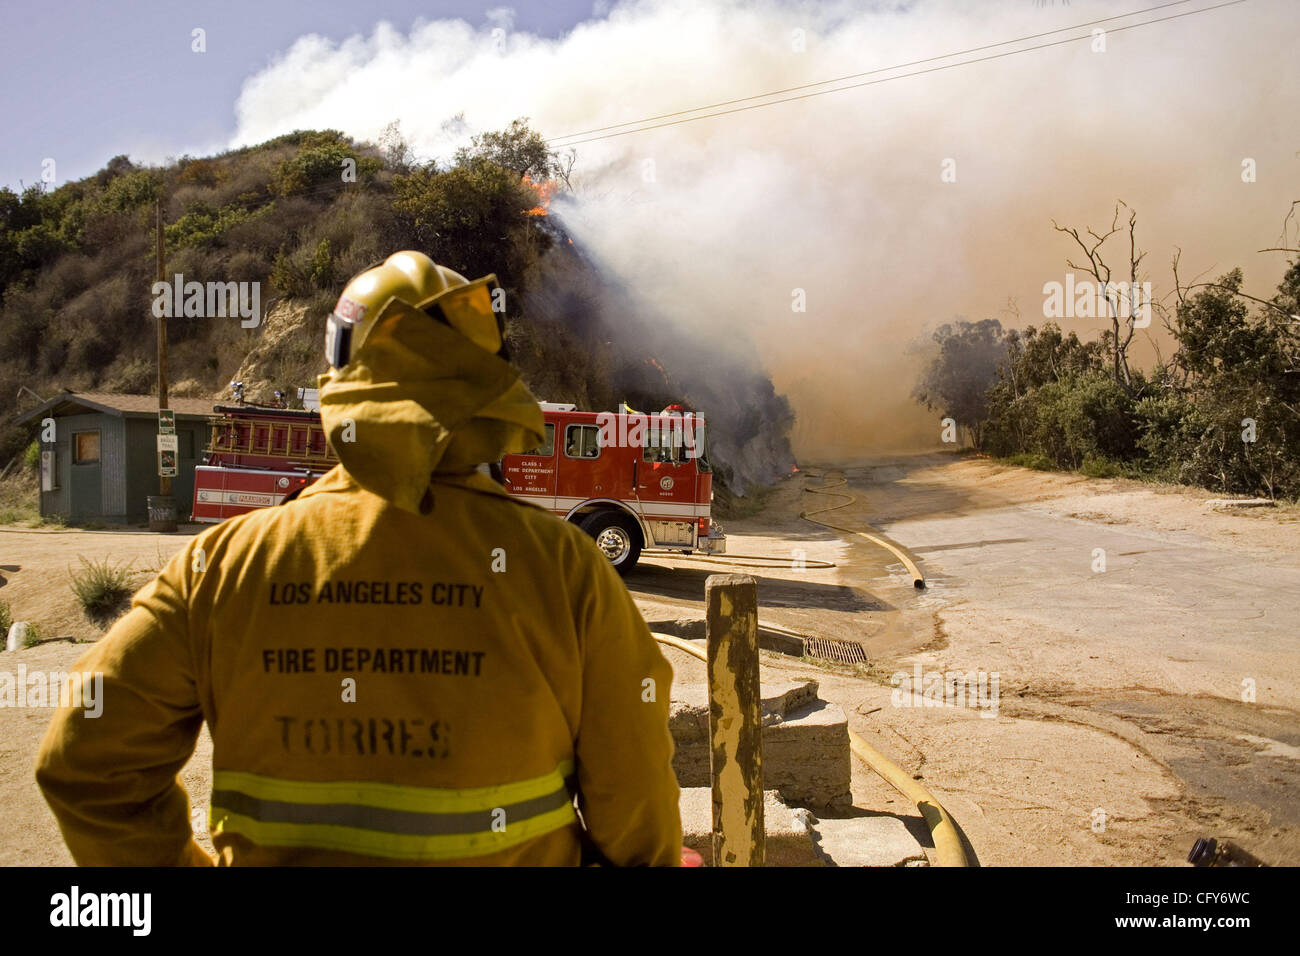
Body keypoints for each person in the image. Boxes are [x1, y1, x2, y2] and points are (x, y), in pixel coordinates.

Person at [36, 251, 682, 866]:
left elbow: (86, 761)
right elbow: (635, 795)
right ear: (487, 378)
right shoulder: (567, 569)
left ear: (340, 372)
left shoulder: (223, 565)